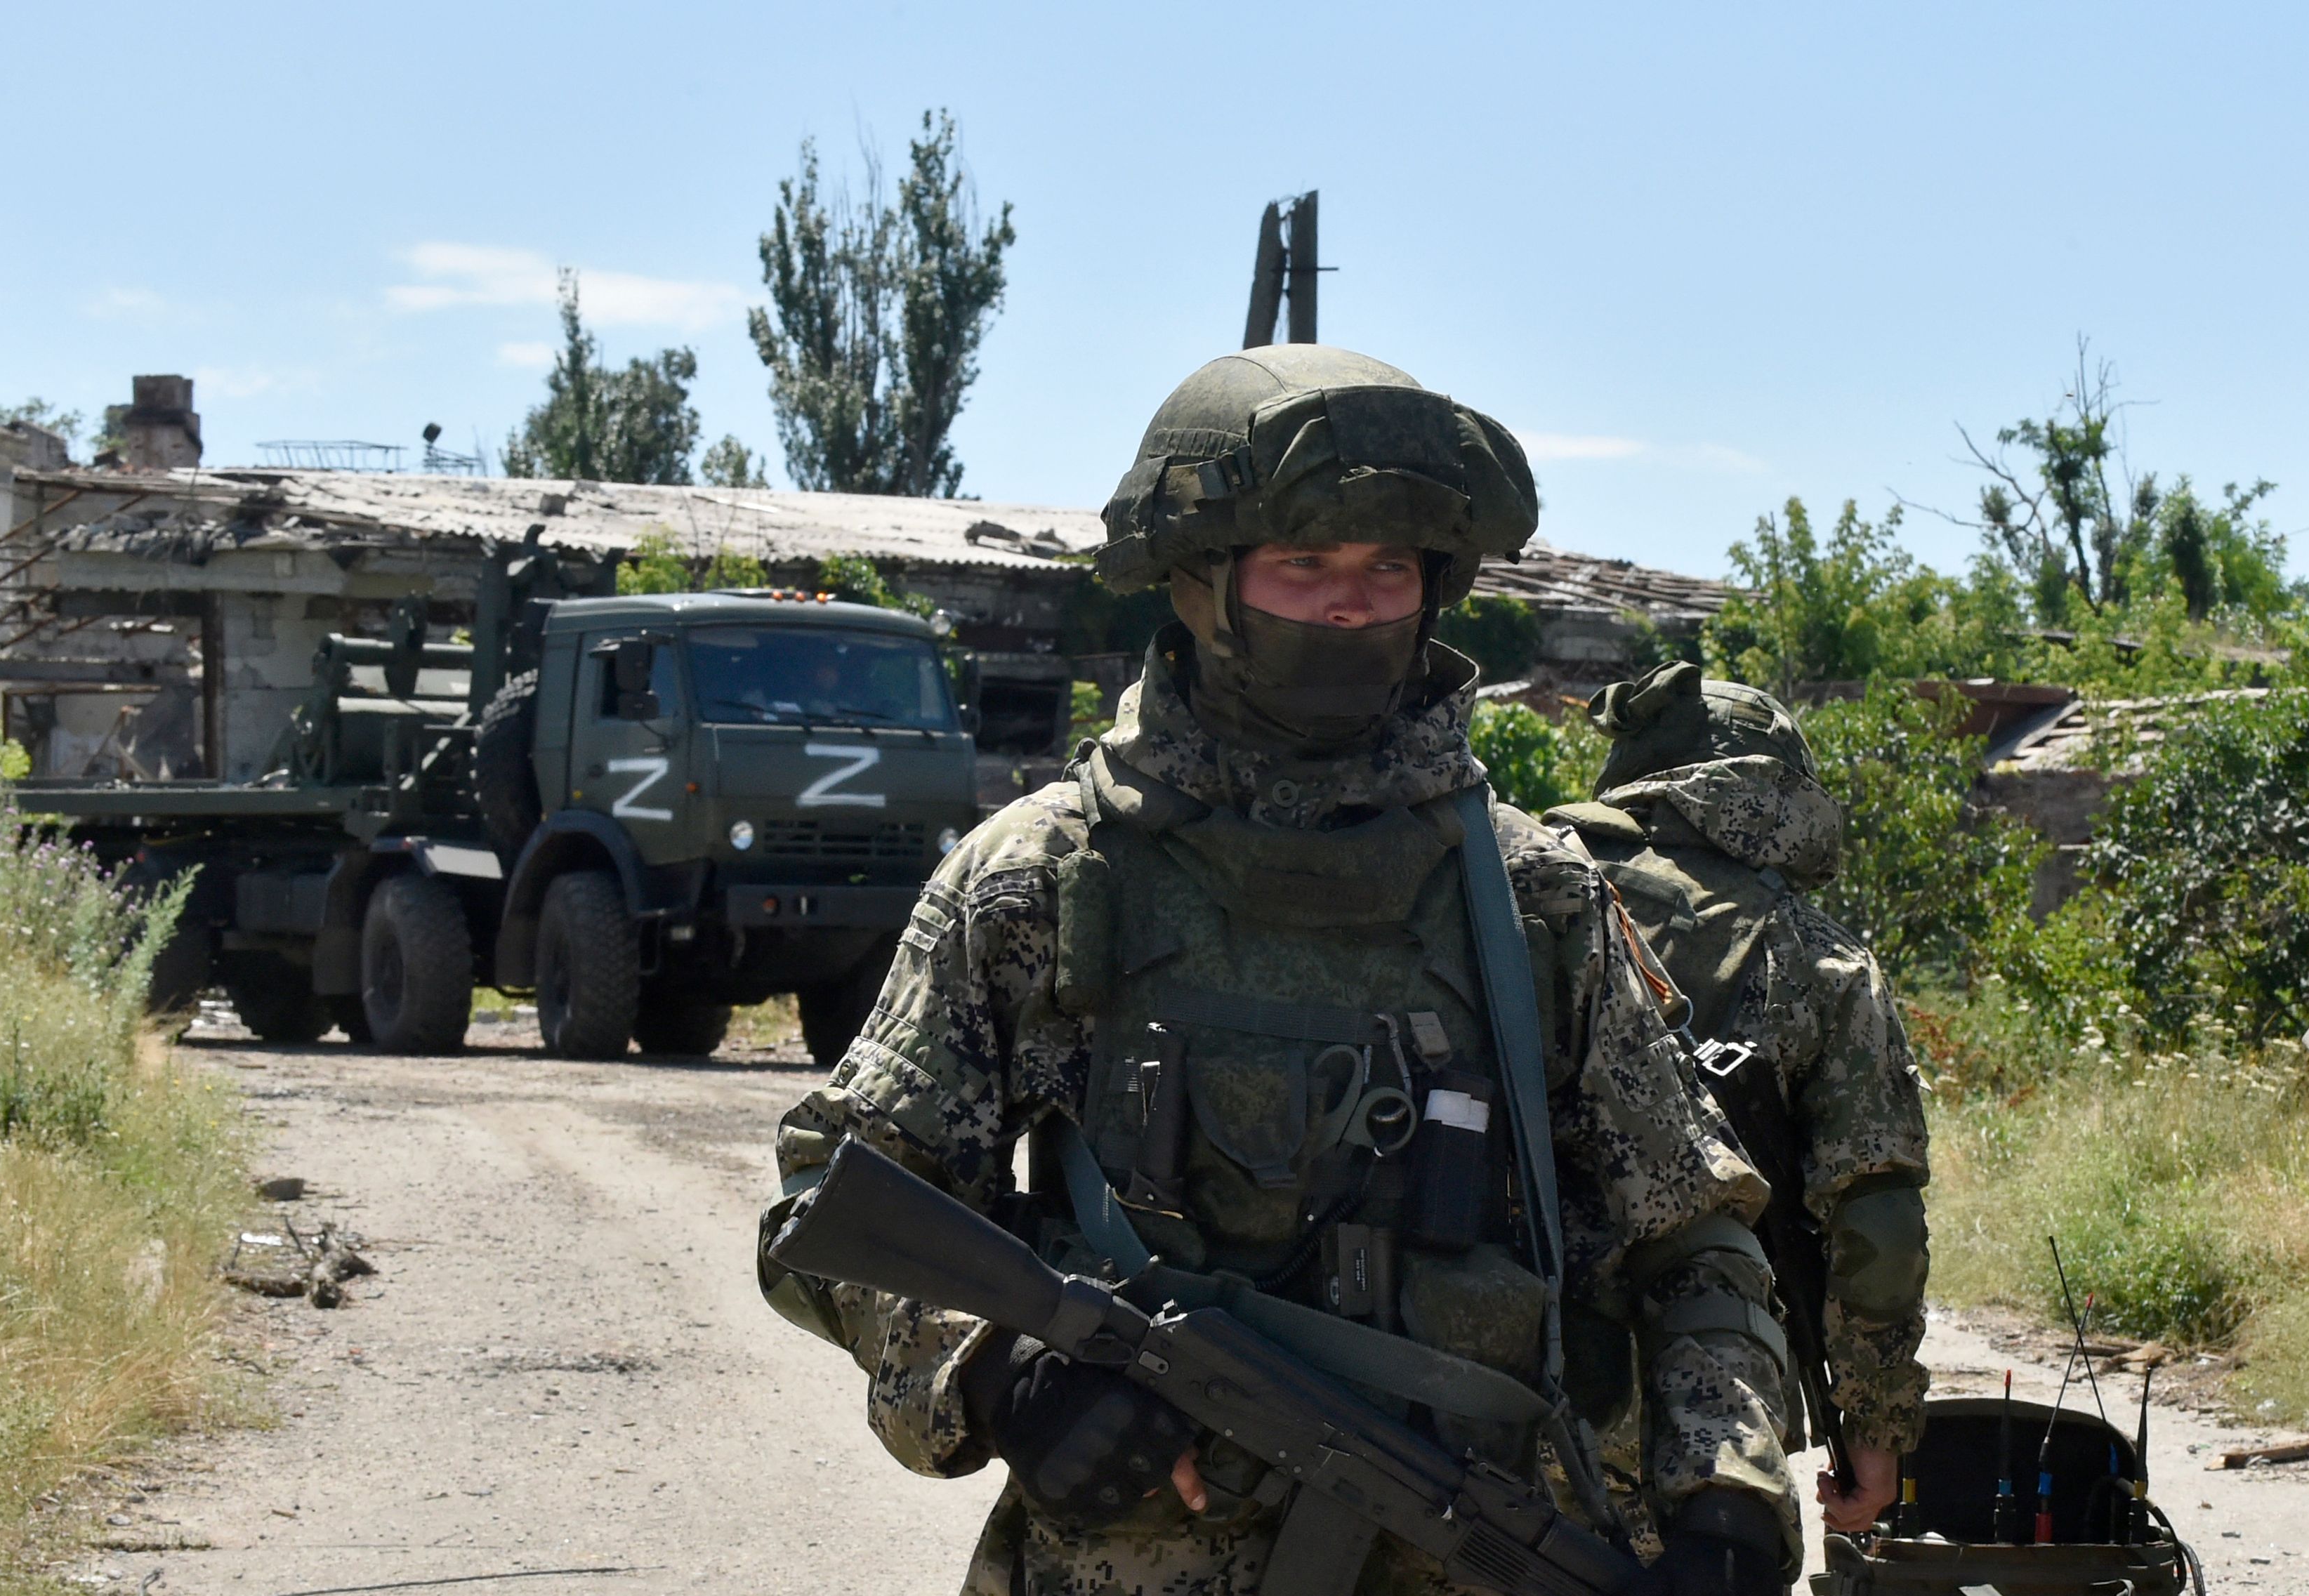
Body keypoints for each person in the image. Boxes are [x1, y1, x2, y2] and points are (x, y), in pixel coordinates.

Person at [757, 347, 1800, 1595]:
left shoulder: (1531, 896)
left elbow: (1692, 1240)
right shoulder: (1037, 877)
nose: (1351, 604)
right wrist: (995, 1371)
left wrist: (1726, 1486)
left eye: (1387, 567)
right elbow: (829, 1204)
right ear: (1198, 583)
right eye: (1304, 565)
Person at [1548, 661, 1930, 1535]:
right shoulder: (1817, 956)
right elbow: (1877, 1227)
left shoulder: (1514, 886)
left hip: (1476, 1383)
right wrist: (1873, 1431)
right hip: (1709, 1407)